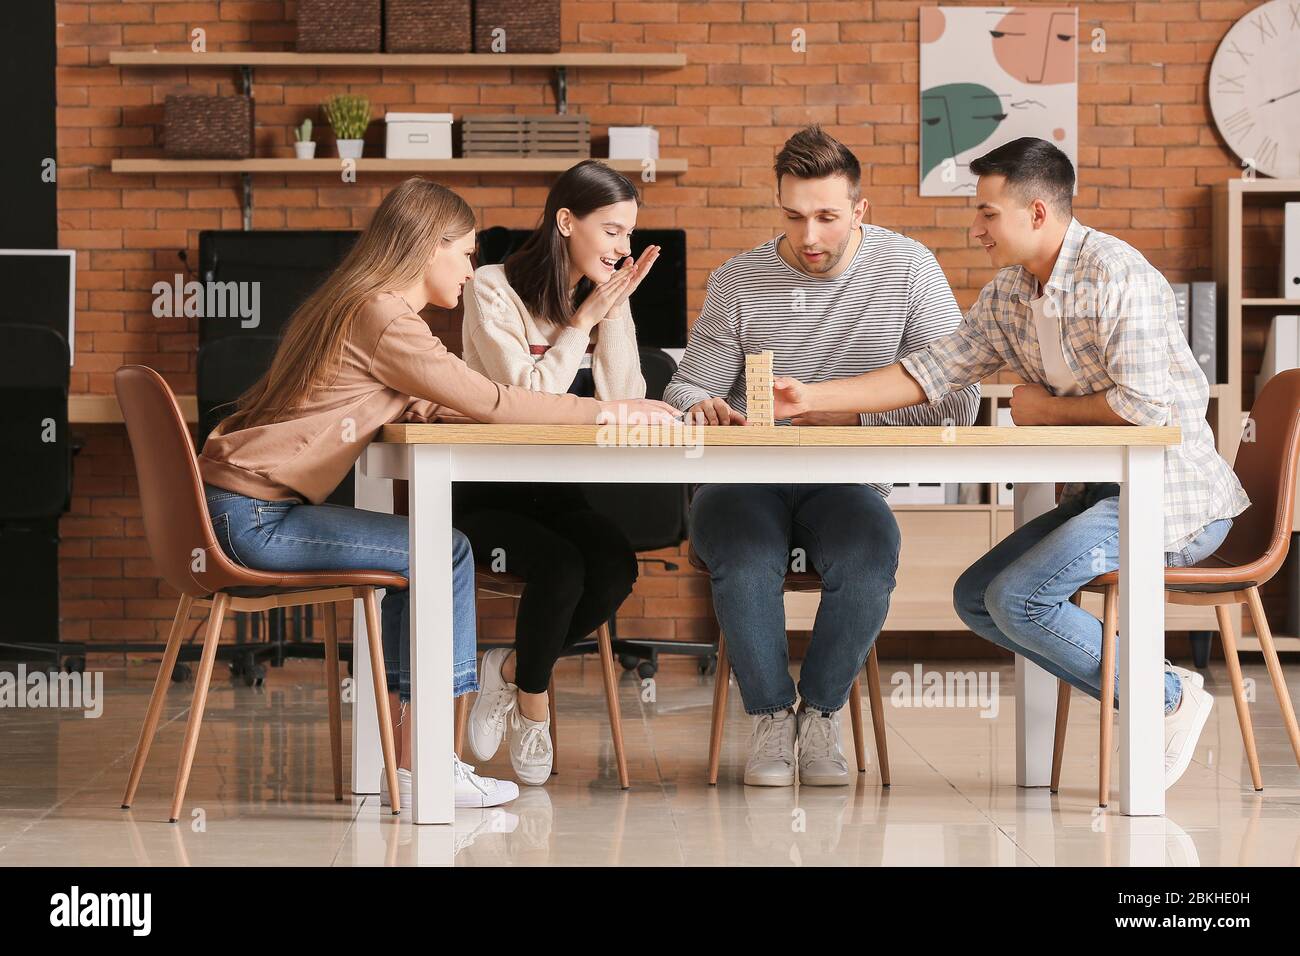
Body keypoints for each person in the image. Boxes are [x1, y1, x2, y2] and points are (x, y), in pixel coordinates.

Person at [772, 137, 1250, 789]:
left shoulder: (1117, 275)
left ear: (1036, 213)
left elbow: (1147, 410)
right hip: (1099, 497)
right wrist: (812, 398)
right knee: (978, 599)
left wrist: (1045, 410)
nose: (975, 228)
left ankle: (1165, 697)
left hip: (1171, 501)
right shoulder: (1010, 293)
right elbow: (933, 371)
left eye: (988, 213)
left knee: (1018, 598)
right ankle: (1158, 692)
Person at [196, 177, 678, 809]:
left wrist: (445, 406)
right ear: (430, 246)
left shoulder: (363, 306)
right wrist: (612, 414)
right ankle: (430, 759)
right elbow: (495, 400)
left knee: (414, 556)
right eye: (466, 252)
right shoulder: (384, 316)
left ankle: (411, 761)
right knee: (439, 552)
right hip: (252, 519)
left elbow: (426, 395)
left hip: (241, 508)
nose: (471, 269)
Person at [662, 126, 980, 787]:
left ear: (860, 210)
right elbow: (687, 384)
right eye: (794, 216)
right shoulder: (740, 278)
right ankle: (773, 716)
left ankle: (822, 714)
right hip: (746, 476)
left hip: (845, 478)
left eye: (828, 217)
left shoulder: (909, 269)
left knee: (870, 559)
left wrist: (850, 412)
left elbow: (960, 400)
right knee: (746, 560)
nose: (809, 236)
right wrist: (701, 407)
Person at [457, 160, 660, 784]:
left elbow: (623, 397)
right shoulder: (491, 286)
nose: (622, 248)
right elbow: (526, 400)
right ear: (566, 222)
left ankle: (514, 671)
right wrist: (580, 325)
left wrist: (613, 313)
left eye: (629, 234)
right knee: (561, 566)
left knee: (615, 565)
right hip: (484, 486)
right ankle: (536, 709)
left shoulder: (603, 298)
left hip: (556, 487)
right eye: (611, 231)